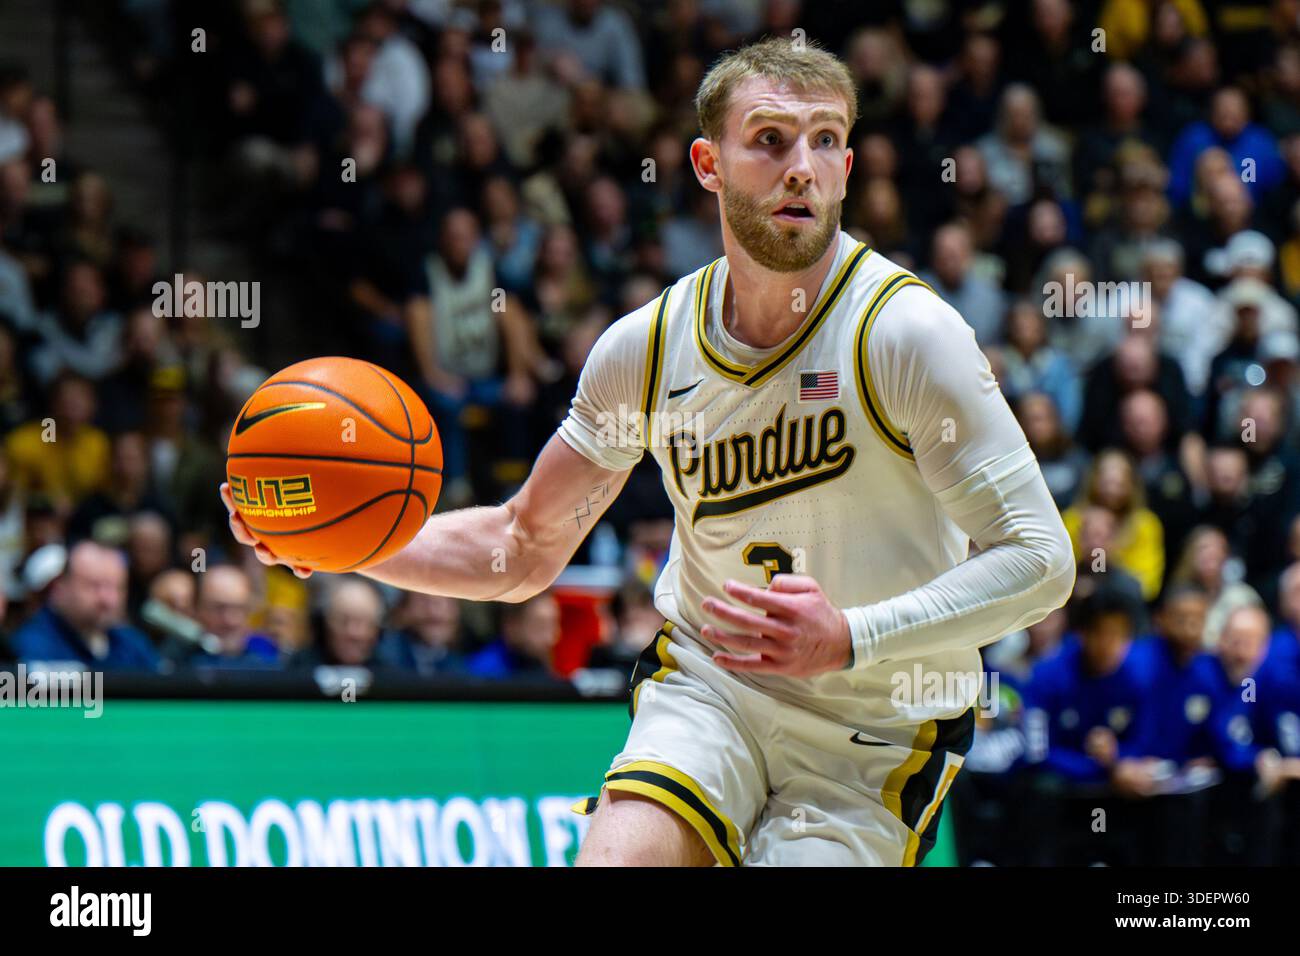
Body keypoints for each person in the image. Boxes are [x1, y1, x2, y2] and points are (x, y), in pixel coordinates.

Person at [222, 37, 1075, 867]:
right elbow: (521, 546)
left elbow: (1041, 560)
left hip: (877, 723)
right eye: (771, 141)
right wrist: (346, 538)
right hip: (713, 690)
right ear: (708, 165)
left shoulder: (908, 334)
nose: (802, 169)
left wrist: (848, 636)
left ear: (849, 167)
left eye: (826, 143)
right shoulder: (648, 350)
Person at [10, 539, 158, 670]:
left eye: (118, 588)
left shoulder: (131, 642)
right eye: (94, 586)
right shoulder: (31, 646)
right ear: (60, 587)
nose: (108, 599)